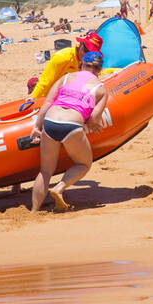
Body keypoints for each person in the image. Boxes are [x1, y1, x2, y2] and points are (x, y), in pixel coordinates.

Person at [31, 49, 110, 212]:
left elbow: (47, 103)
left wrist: (36, 127)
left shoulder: (66, 77)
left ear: (82, 65)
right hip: (72, 126)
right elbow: (94, 119)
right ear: (99, 70)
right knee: (83, 164)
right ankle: (59, 188)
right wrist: (91, 121)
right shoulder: (101, 89)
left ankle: (33, 211)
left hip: (50, 121)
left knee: (45, 171)